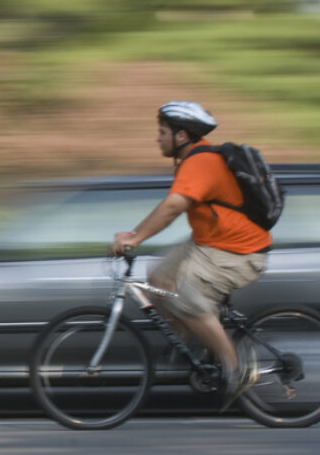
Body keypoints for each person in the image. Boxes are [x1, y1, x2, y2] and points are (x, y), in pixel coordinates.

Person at [112, 100, 271, 408]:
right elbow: (171, 207)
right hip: (212, 242)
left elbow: (173, 207)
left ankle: (236, 369)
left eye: (162, 132)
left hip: (238, 250)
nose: (157, 138)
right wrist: (136, 235)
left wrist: (134, 237)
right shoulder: (192, 160)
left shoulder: (201, 162)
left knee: (185, 299)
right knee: (159, 277)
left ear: (181, 136)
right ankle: (188, 343)